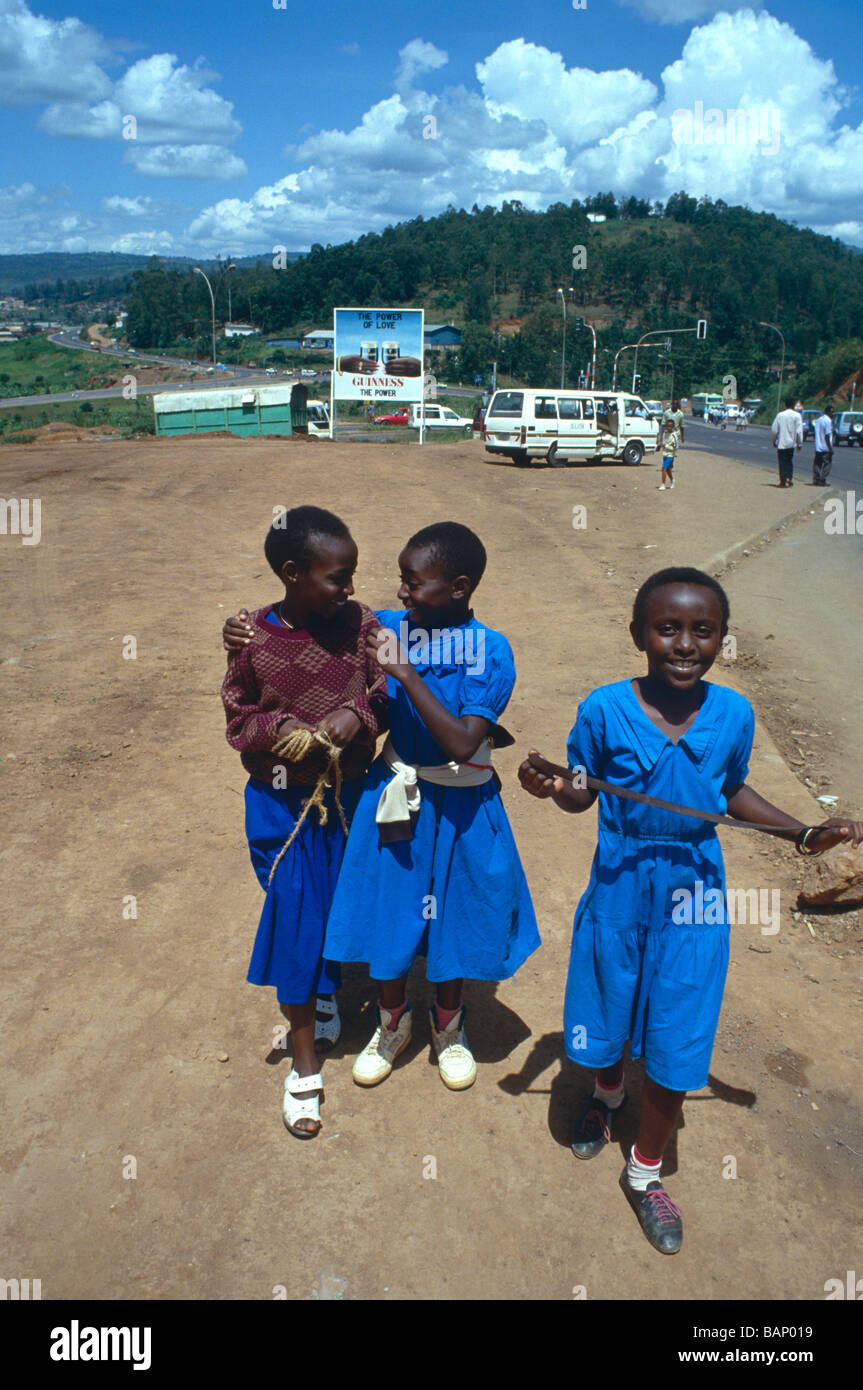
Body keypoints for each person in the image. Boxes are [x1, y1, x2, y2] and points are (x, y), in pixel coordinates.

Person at [518, 567, 862, 1255]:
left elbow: (730, 789)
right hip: (618, 881)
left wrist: (800, 831)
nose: (683, 644)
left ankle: (643, 1173)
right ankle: (609, 1095)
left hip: (695, 893)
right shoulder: (603, 708)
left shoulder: (732, 714)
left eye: (700, 631)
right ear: (638, 634)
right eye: (666, 628)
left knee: (679, 1024)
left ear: (720, 639)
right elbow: (583, 792)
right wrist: (554, 786)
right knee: (611, 1002)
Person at [323, 522, 540, 1091]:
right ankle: (392, 1023)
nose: (401, 593)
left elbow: (464, 741)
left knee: (458, 917)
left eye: (413, 583)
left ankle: (449, 1025)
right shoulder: (389, 627)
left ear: (459, 587)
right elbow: (319, 616)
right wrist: (249, 628)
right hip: (396, 797)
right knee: (390, 910)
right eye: (400, 579)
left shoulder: (489, 650)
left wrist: (405, 672)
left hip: (463, 805)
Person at [221, 507, 387, 1139]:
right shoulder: (252, 639)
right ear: (292, 574)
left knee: (335, 909)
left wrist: (359, 716)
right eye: (337, 577)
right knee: (295, 917)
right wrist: (281, 732)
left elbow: (385, 687)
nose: (348, 588)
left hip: (348, 801)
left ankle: (325, 993)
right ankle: (305, 1067)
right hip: (280, 806)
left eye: (350, 576)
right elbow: (237, 716)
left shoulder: (363, 623)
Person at [770, 395, 803, 487]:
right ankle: (789, 477)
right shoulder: (797, 416)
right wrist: (799, 443)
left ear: (785, 405)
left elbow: (774, 430)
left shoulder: (780, 415)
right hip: (791, 444)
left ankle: (783, 480)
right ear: (793, 405)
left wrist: (774, 441)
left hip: (781, 443)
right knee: (789, 461)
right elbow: (799, 432)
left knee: (782, 462)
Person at [812, 404, 834, 486]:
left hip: (818, 446)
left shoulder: (818, 420)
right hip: (825, 447)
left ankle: (816, 479)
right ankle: (822, 479)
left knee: (817, 463)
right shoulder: (828, 421)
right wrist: (830, 448)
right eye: (831, 412)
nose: (832, 414)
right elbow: (827, 436)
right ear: (827, 412)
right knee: (827, 464)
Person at [657, 414, 680, 490]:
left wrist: (666, 446)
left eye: (670, 426)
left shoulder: (674, 435)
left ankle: (663, 484)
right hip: (665, 454)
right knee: (667, 469)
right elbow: (663, 441)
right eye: (668, 426)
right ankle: (672, 480)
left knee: (664, 468)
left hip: (670, 454)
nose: (669, 427)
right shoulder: (665, 433)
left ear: (673, 427)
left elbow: (676, 447)